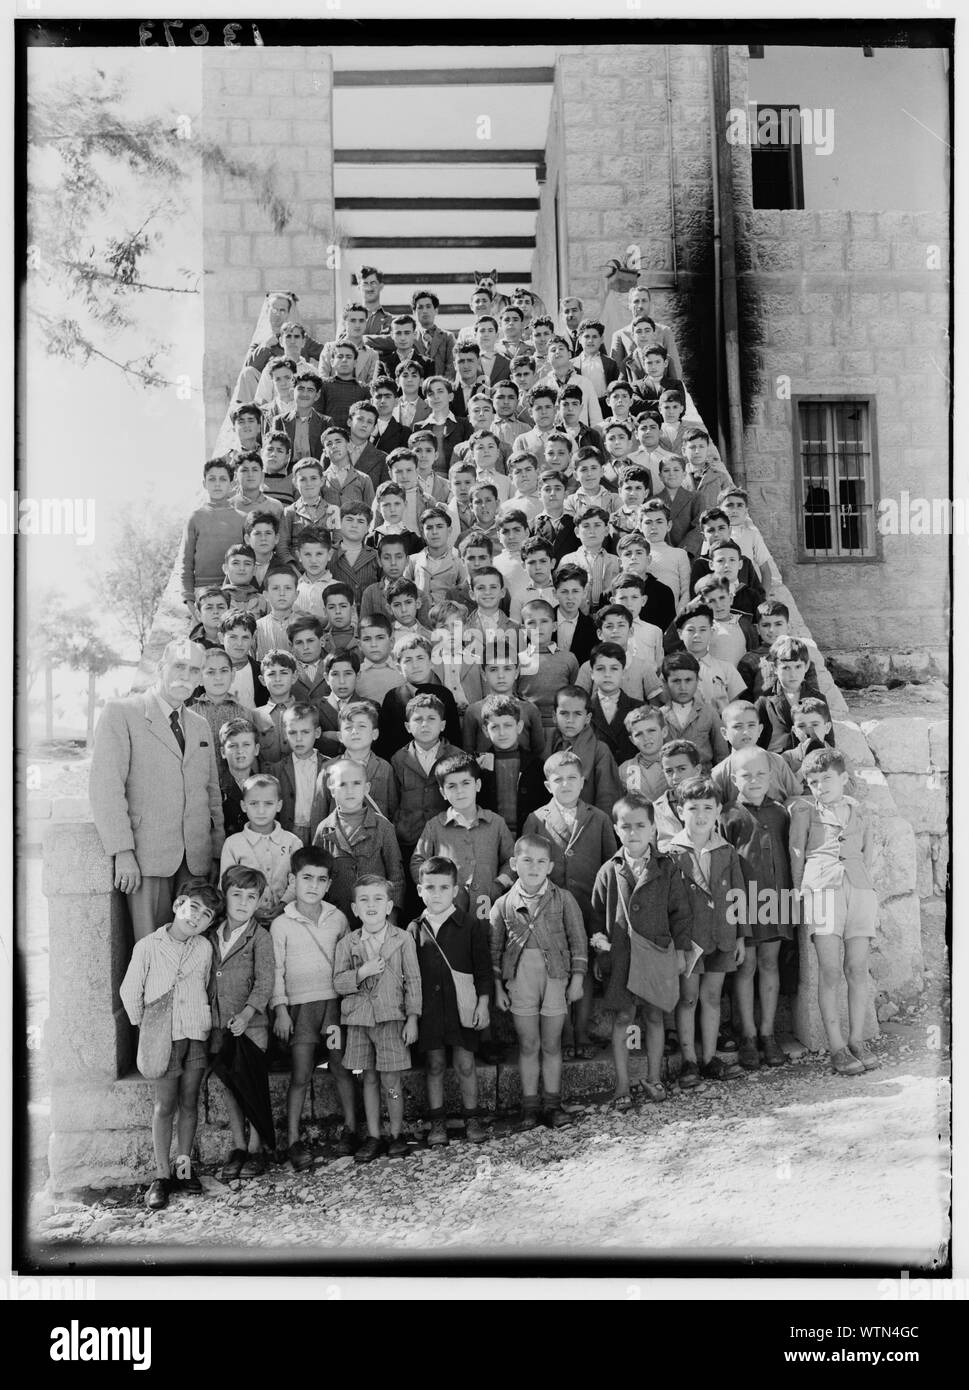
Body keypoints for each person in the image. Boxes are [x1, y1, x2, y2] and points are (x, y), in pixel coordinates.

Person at [91, 640, 225, 941]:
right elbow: (106, 787)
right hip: (146, 857)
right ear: (160, 668)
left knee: (191, 948)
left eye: (194, 670)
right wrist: (122, 851)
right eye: (179, 666)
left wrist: (215, 852)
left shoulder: (200, 725)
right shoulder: (122, 712)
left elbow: (211, 791)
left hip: (195, 861)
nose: (186, 675)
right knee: (151, 947)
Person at [120, 881, 221, 1209]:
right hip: (164, 1037)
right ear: (178, 904)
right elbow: (129, 993)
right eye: (193, 908)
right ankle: (162, 1175)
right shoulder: (148, 946)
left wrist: (202, 1020)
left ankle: (183, 1167)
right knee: (165, 1105)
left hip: (195, 1033)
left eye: (206, 915)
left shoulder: (204, 948)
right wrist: (148, 1028)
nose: (198, 918)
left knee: (190, 1102)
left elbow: (206, 986)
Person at [590, 794, 692, 1107]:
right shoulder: (609, 870)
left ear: (652, 830)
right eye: (625, 826)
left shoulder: (667, 867)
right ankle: (622, 1085)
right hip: (621, 958)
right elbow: (596, 915)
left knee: (656, 1017)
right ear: (616, 830)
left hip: (657, 954)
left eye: (640, 825)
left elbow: (681, 912)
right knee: (623, 1018)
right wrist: (599, 948)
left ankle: (654, 1077)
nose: (633, 832)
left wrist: (680, 951)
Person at [789, 748, 879, 1076]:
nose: (819, 786)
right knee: (830, 971)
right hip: (822, 890)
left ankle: (857, 1040)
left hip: (859, 889)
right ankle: (837, 1046)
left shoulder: (859, 810)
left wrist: (863, 885)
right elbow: (796, 851)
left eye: (826, 778)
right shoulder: (804, 811)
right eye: (813, 781)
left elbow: (867, 851)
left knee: (856, 968)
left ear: (843, 778)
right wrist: (801, 891)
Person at [523, 749, 618, 1059]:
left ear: (582, 782)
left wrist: (606, 909)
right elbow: (526, 865)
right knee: (557, 971)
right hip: (551, 905)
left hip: (589, 905)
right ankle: (562, 1035)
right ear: (549, 785)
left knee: (585, 968)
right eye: (558, 780)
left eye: (572, 779)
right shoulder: (536, 818)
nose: (565, 785)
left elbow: (610, 863)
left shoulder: (599, 817)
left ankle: (582, 1033)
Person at [490, 834, 587, 1129]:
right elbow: (494, 950)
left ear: (550, 866)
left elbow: (578, 941)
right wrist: (497, 988)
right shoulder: (504, 904)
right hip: (521, 980)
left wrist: (577, 979)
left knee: (551, 1043)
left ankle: (553, 1104)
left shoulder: (563, 899)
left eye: (541, 861)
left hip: (555, 978)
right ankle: (530, 1107)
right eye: (527, 860)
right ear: (514, 863)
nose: (534, 867)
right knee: (529, 1044)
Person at [271, 846, 359, 1170]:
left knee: (340, 1065)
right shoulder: (281, 925)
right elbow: (276, 970)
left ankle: (351, 1130)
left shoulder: (337, 919)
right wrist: (280, 1009)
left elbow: (350, 959)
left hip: (332, 1008)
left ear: (329, 884)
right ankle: (293, 1140)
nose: (313, 885)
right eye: (306, 878)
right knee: (301, 1072)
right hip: (300, 1009)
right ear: (293, 880)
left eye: (321, 880)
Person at [333, 875, 423, 1163]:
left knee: (391, 1081)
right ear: (354, 909)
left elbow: (414, 981)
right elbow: (338, 982)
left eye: (378, 899)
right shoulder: (347, 943)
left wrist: (412, 1018)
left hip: (391, 1018)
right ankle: (373, 1135)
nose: (371, 905)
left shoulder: (402, 939)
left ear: (389, 906)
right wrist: (362, 972)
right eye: (364, 900)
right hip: (359, 1020)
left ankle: (396, 1135)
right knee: (368, 1079)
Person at [667, 776, 747, 1085]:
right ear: (680, 810)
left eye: (707, 808)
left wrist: (741, 936)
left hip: (722, 936)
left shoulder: (726, 850)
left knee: (712, 997)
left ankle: (710, 1057)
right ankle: (688, 1061)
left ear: (717, 812)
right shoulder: (671, 852)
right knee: (687, 998)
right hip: (689, 940)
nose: (700, 815)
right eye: (693, 808)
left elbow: (737, 896)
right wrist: (675, 944)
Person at [409, 857, 492, 1146]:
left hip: (462, 1007)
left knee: (465, 1063)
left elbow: (482, 969)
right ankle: (438, 1124)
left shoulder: (470, 926)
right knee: (433, 1064)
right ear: (419, 890)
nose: (436, 894)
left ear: (455, 890)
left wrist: (483, 1004)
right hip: (430, 1010)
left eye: (444, 887)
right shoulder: (415, 928)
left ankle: (472, 1119)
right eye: (430, 887)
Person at [719, 747, 793, 1071]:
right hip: (742, 902)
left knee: (770, 964)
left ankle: (767, 1034)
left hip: (776, 900)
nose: (754, 780)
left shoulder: (780, 813)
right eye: (746, 775)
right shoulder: (728, 815)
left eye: (761, 773)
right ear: (734, 778)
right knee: (745, 967)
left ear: (771, 775)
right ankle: (747, 1034)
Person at [207, 864, 275, 1179]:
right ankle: (238, 1145)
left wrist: (248, 1014)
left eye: (251, 896)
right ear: (226, 895)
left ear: (260, 900)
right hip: (219, 1026)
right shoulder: (211, 934)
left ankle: (256, 1148)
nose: (243, 902)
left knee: (252, 1085)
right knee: (231, 1088)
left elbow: (264, 982)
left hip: (251, 1027)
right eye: (237, 894)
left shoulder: (259, 937)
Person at [411, 752, 516, 918]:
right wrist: (435, 889)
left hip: (487, 907)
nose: (460, 791)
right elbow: (418, 861)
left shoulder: (496, 823)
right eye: (451, 786)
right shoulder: (435, 826)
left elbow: (511, 861)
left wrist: (498, 885)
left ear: (478, 785)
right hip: (448, 911)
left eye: (466, 783)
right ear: (443, 792)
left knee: (487, 941)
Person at [312, 758, 405, 921]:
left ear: (366, 788)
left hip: (376, 918)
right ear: (332, 790)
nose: (350, 790)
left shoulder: (383, 827)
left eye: (356, 783)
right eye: (342, 784)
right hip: (336, 917)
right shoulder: (324, 829)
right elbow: (316, 875)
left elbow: (396, 877)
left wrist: (392, 917)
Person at [219, 772, 303, 921]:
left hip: (286, 918)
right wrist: (251, 910)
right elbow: (225, 886)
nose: (261, 810)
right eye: (254, 803)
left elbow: (297, 881)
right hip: (244, 919)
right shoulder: (233, 844)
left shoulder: (292, 842)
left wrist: (284, 905)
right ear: (244, 806)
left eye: (268, 803)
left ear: (279, 805)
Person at [178, 459, 246, 610]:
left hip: (235, 591)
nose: (217, 484)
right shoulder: (195, 518)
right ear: (204, 484)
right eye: (212, 479)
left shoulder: (243, 519)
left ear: (232, 484)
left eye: (223, 479)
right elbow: (186, 563)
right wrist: (189, 598)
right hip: (202, 593)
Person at [547, 684, 622, 815]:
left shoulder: (600, 750)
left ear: (587, 718)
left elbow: (607, 799)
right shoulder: (547, 745)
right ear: (554, 716)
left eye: (577, 714)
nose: (570, 720)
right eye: (564, 713)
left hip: (588, 823)